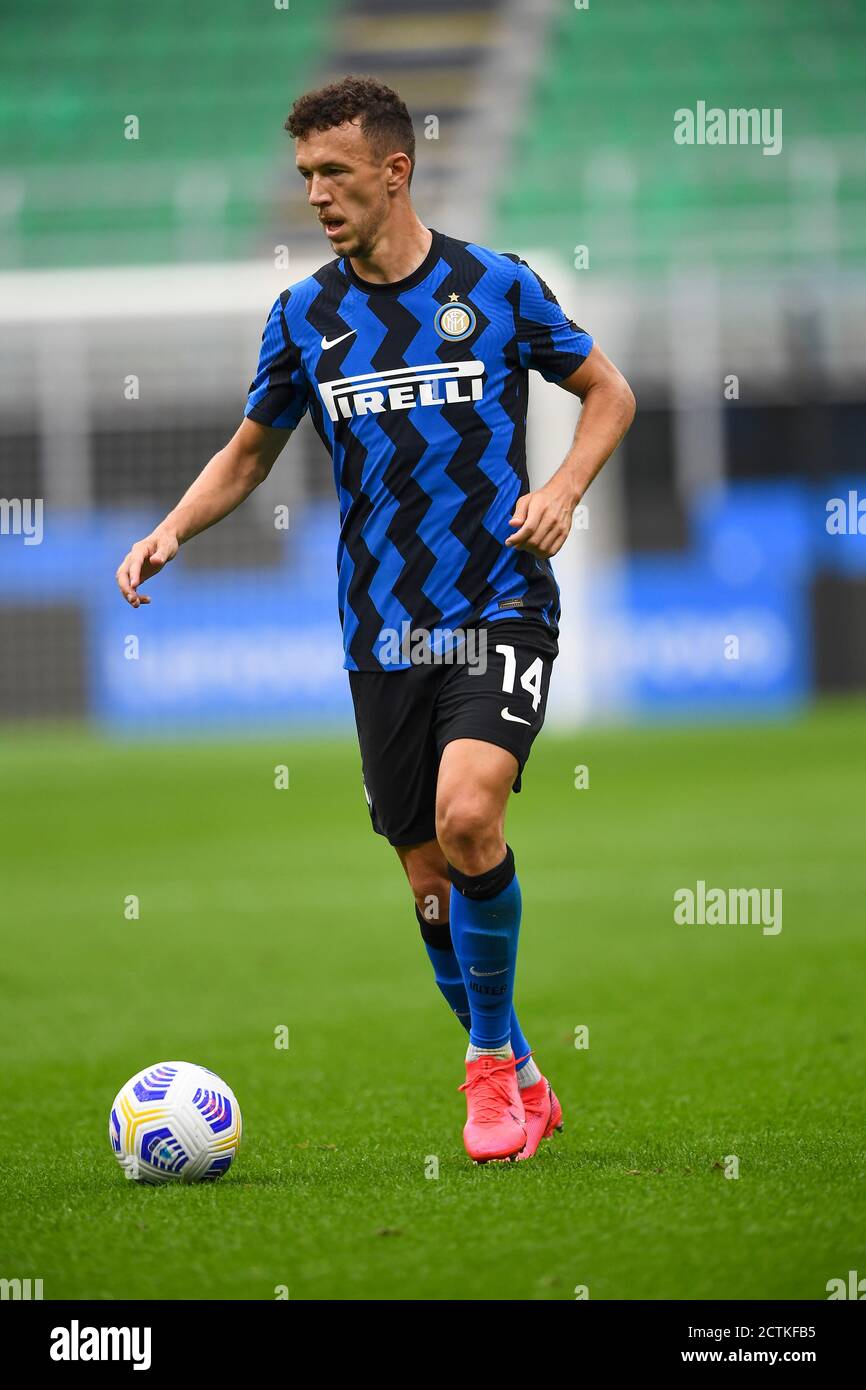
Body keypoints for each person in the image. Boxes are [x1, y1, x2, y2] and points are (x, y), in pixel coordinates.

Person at [116, 76, 635, 1164]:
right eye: (303, 175)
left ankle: (485, 1066)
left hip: (496, 605)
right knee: (428, 885)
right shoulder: (304, 315)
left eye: (333, 173)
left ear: (394, 172)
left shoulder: (494, 287)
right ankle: (524, 1072)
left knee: (466, 818)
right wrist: (173, 527)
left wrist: (562, 493)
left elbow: (607, 393)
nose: (314, 194)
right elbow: (249, 452)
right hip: (380, 632)